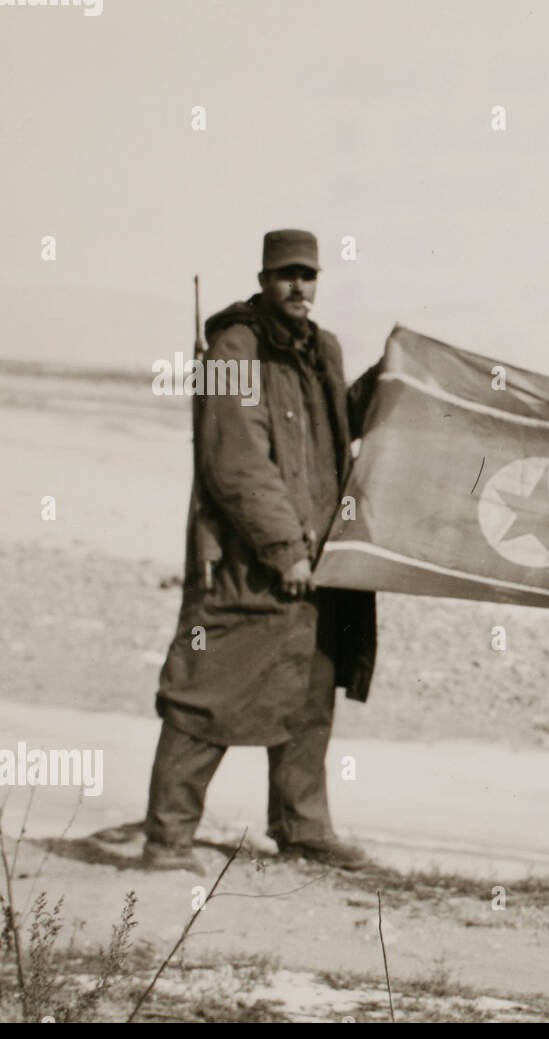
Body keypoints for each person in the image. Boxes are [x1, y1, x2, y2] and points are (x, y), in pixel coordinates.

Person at [143, 229, 377, 872]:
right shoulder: (234, 347)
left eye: (308, 275)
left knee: (308, 694)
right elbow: (236, 463)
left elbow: (338, 429)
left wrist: (393, 380)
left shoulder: (320, 349)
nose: (298, 286)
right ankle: (167, 840)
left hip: (319, 562)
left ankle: (303, 829)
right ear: (263, 279)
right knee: (208, 695)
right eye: (286, 275)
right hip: (249, 564)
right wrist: (284, 548)